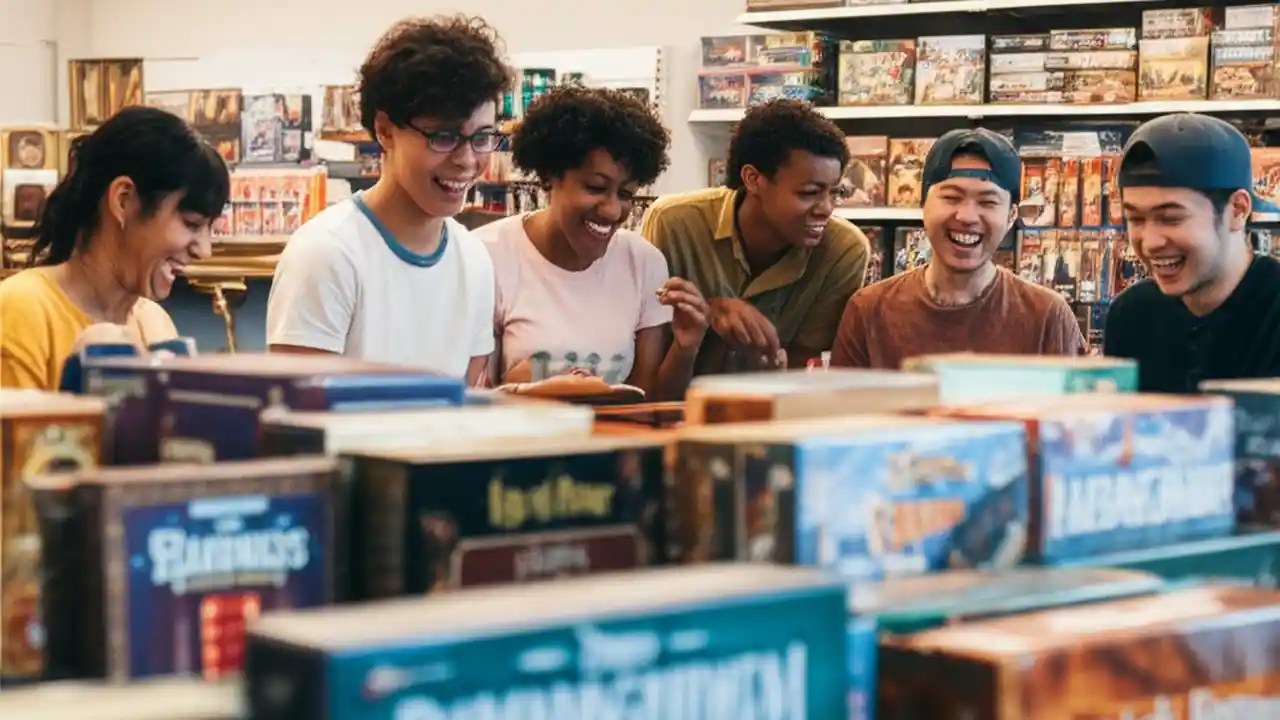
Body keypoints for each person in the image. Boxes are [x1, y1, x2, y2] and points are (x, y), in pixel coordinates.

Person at [266, 15, 511, 384]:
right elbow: (297, 417)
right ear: (385, 131)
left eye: (481, 137)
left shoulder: (472, 259)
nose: (466, 160)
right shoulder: (327, 254)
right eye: (443, 136)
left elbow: (463, 403)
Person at [472, 86, 709, 400]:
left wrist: (685, 347)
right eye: (596, 187)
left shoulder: (643, 262)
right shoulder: (487, 256)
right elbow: (473, 399)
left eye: (625, 194)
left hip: (613, 445)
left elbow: (646, 398)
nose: (612, 209)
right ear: (549, 176)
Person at [0, 107, 228, 390]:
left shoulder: (154, 322)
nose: (204, 250)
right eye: (192, 224)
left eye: (211, 229)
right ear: (123, 200)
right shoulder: (21, 310)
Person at [640, 99, 870, 374]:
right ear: (753, 179)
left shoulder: (844, 250)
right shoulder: (674, 222)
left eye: (836, 192)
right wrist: (707, 312)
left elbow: (806, 363)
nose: (826, 209)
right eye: (809, 193)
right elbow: (648, 339)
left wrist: (775, 365)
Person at [831, 128, 1084, 369]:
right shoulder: (868, 312)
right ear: (923, 204)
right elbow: (840, 411)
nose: (967, 216)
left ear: (1011, 216)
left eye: (987, 201)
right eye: (951, 197)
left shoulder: (1047, 317)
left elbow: (1078, 412)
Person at [1103, 113, 1280, 392]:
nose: (1149, 243)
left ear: (1237, 210)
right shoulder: (1132, 315)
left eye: (1171, 218)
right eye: (1135, 219)